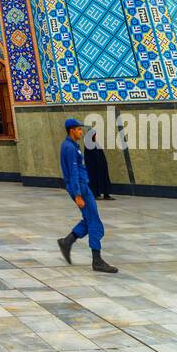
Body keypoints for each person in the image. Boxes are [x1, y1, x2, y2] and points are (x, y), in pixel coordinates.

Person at [57, 117, 117, 273]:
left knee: (89, 219)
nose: (81, 132)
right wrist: (78, 194)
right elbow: (74, 172)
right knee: (95, 224)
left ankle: (67, 241)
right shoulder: (70, 148)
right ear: (72, 130)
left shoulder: (71, 145)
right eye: (78, 129)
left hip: (82, 187)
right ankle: (97, 261)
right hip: (81, 189)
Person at [83, 136, 113, 200]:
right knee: (94, 180)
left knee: (104, 179)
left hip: (101, 166)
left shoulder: (96, 143)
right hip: (93, 167)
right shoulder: (88, 143)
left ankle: (106, 194)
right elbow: (88, 157)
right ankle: (95, 194)